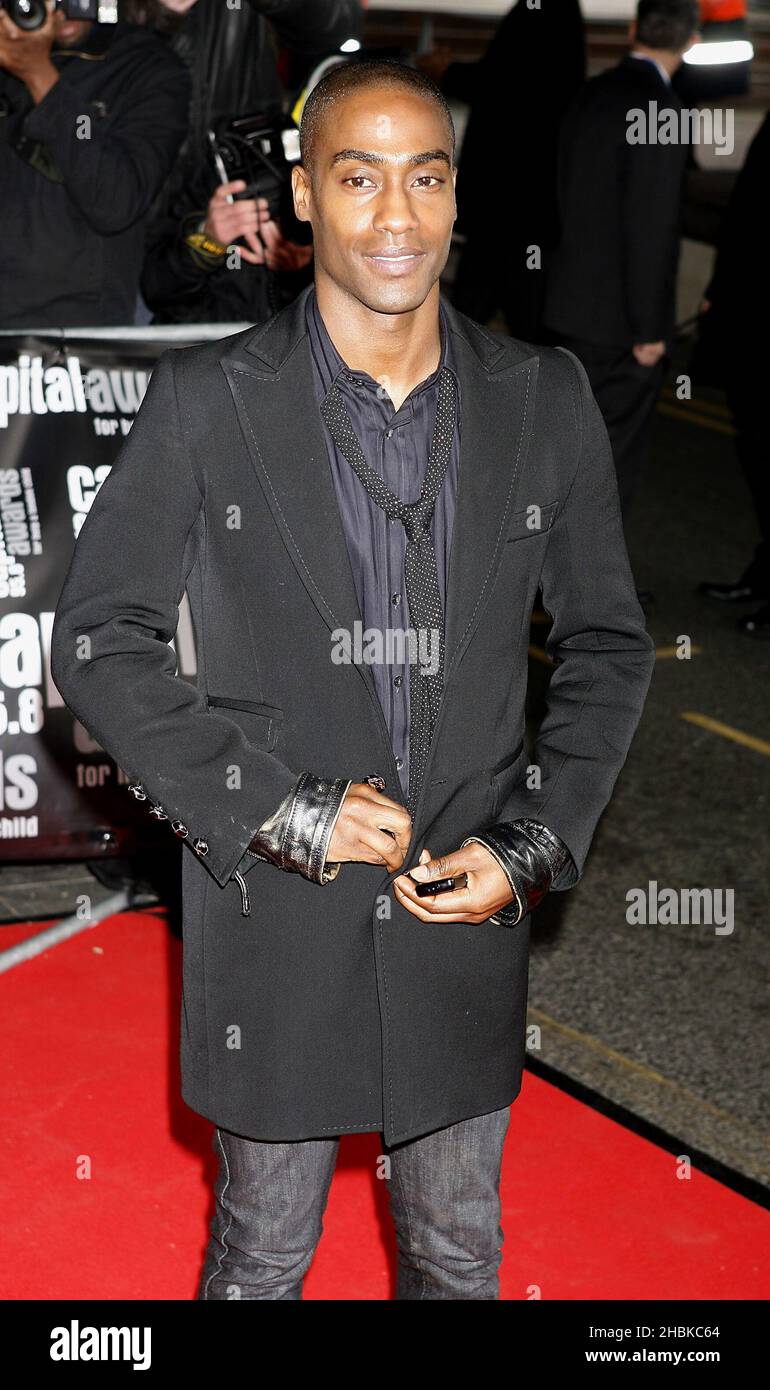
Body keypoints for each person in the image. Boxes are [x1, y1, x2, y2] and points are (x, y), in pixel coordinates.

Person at [50, 59, 655, 1301]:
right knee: (264, 1252)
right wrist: (278, 806)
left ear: (453, 199)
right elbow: (101, 637)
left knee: (455, 1250)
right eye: (358, 177)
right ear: (306, 199)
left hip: (461, 911)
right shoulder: (208, 400)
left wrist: (534, 839)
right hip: (276, 920)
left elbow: (606, 642)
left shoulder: (541, 398)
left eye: (423, 178)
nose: (394, 215)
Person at [542, 0, 700, 523]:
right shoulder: (664, 111)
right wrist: (652, 328)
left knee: (564, 451)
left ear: (633, 29)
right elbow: (651, 228)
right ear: (692, 41)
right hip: (619, 324)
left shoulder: (590, 93)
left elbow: (563, 195)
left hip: (569, 306)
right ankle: (593, 595)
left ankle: (545, 588)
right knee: (609, 460)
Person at [139, 0, 362, 323]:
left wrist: (309, 257)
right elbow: (158, 285)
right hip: (144, 194)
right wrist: (207, 240)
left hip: (245, 157)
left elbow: (337, 24)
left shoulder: (289, 174)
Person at [0, 0, 190, 327]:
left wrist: (39, 75)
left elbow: (116, 201)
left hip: (75, 333)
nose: (59, 8)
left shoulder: (146, 66)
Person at [420, 0, 586, 341]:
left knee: (480, 315)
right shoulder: (558, 12)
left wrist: (446, 71)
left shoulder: (547, 10)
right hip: (525, 204)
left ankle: (456, 385)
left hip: (509, 203)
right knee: (513, 314)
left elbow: (504, 82)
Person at [694, 110, 770, 639]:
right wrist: (719, 290)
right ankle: (765, 572)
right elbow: (747, 211)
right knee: (755, 449)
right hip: (750, 313)